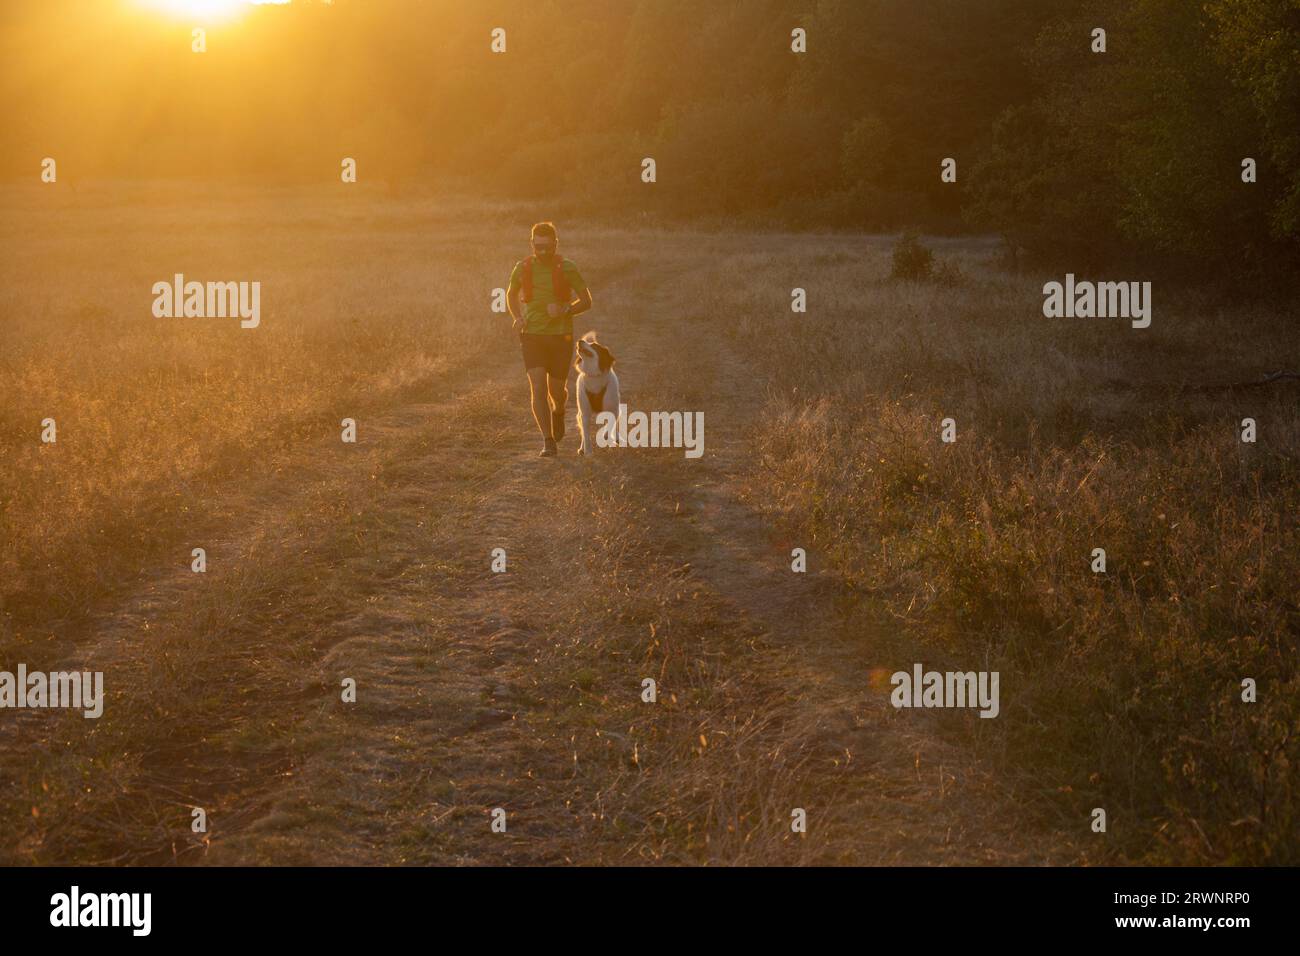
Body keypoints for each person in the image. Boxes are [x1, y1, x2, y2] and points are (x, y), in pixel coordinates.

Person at [506, 222, 594, 457]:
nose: (543, 252)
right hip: (532, 336)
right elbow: (511, 294)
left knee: (557, 390)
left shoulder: (568, 268)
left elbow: (587, 301)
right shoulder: (522, 267)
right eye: (538, 247)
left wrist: (566, 310)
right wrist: (517, 317)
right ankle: (548, 441)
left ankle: (559, 410)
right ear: (532, 244)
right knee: (537, 386)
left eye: (547, 247)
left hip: (560, 337)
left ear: (556, 244)